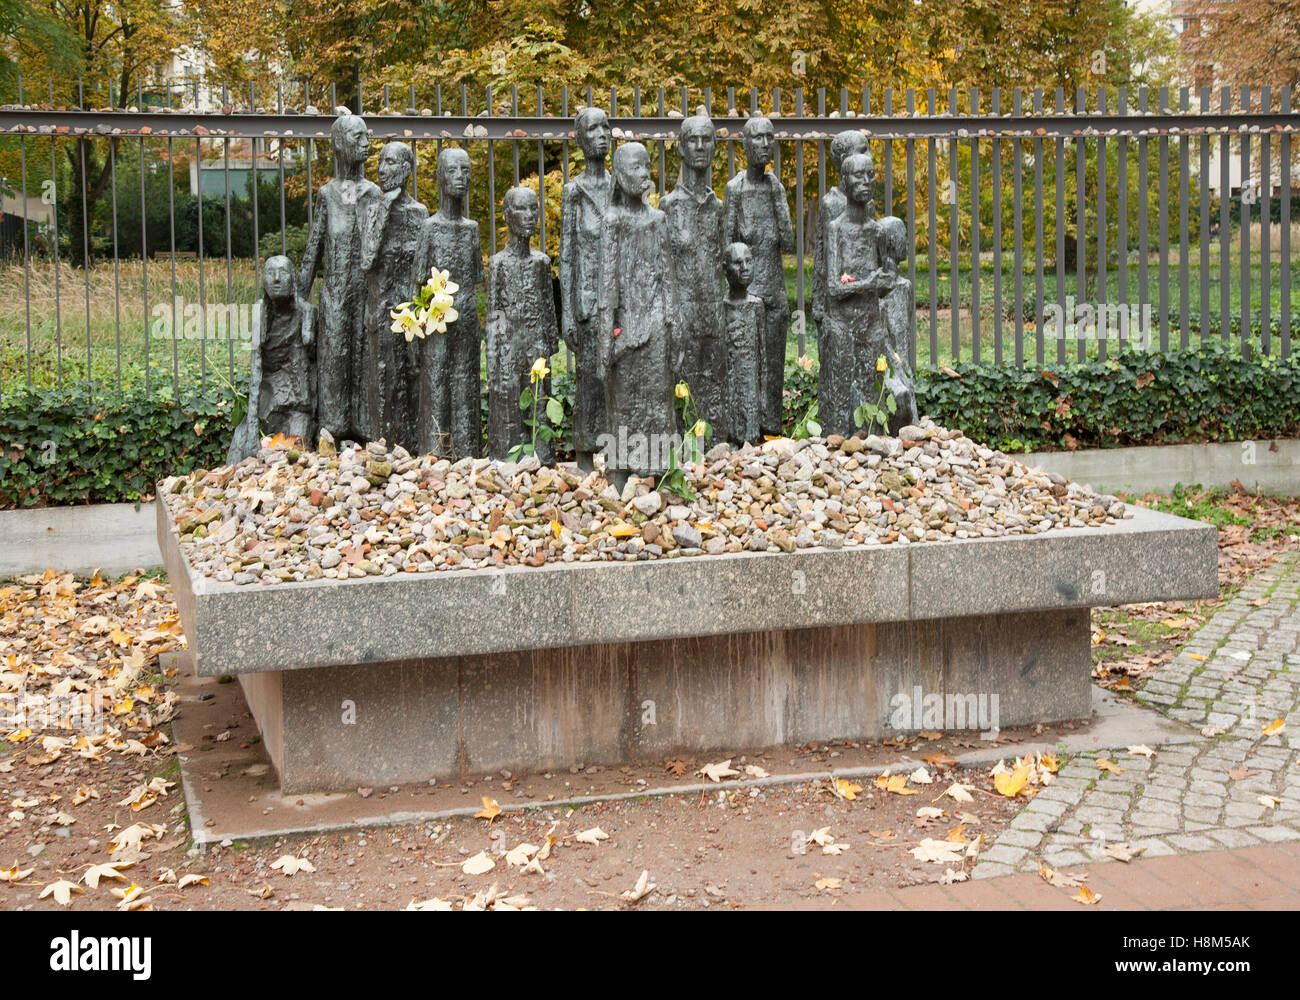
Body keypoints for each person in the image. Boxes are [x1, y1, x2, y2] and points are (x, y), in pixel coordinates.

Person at [596, 142, 675, 482]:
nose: (643, 174)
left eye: (646, 167)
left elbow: (667, 276)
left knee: (657, 402)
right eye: (633, 168)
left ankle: (657, 472)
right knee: (623, 403)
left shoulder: (658, 220)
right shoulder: (612, 221)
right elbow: (607, 285)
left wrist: (675, 323)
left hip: (656, 325)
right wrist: (605, 338)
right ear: (618, 175)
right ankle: (619, 472)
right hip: (624, 329)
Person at [298, 113, 377, 444]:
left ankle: (363, 429)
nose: (366, 144)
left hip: (368, 294)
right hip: (334, 295)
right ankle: (333, 429)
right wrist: (300, 300)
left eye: (366, 136)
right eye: (357, 138)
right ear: (339, 145)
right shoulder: (327, 194)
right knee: (335, 360)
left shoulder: (374, 193)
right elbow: (314, 248)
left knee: (365, 360)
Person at [409, 147, 484, 458]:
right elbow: (417, 280)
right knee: (437, 384)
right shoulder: (430, 227)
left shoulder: (472, 229)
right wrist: (417, 324)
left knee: (466, 385)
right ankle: (436, 453)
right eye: (453, 171)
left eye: (466, 171)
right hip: (436, 321)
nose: (461, 177)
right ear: (440, 177)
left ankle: (468, 452)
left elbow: (476, 280)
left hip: (465, 318)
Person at [723, 116, 794, 436]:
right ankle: (744, 429)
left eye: (770, 138)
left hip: (774, 291)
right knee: (746, 366)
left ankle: (771, 428)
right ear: (745, 145)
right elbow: (726, 249)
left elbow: (790, 243)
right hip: (745, 293)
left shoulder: (775, 187)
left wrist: (779, 200)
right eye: (758, 139)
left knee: (773, 367)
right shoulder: (734, 189)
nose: (765, 145)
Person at [661, 110, 725, 439]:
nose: (700, 146)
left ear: (714, 146)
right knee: (681, 389)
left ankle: (716, 451)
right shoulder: (667, 207)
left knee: (714, 387)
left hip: (714, 313)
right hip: (681, 314)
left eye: (706, 139)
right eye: (692, 140)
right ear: (681, 149)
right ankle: (683, 449)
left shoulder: (718, 207)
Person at [359, 141, 427, 450]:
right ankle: (383, 446)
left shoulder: (419, 213)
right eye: (381, 162)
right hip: (381, 307)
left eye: (391, 163)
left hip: (411, 310)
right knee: (384, 381)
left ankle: (411, 446)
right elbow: (366, 260)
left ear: (407, 169)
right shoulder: (372, 208)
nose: (383, 170)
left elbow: (424, 265)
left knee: (411, 379)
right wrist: (384, 209)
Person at [487, 187, 559, 462]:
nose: (529, 216)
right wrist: (496, 356)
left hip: (537, 351)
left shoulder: (542, 262)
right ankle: (506, 463)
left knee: (540, 409)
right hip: (509, 351)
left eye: (533, 209)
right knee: (508, 416)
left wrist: (550, 350)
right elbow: (496, 314)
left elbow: (548, 311)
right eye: (521, 209)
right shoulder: (499, 264)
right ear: (507, 216)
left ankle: (543, 462)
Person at [559, 106, 613, 472]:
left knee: (616, 381)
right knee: (588, 382)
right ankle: (583, 453)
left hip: (618, 301)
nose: (602, 134)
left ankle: (618, 453)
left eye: (606, 128)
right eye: (593, 129)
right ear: (580, 139)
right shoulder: (573, 192)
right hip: (587, 305)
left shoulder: (620, 186)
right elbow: (566, 256)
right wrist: (567, 313)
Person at [227, 254, 315, 463]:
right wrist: (251, 423)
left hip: (297, 392)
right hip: (269, 387)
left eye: (283, 272)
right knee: (243, 443)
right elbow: (256, 366)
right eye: (270, 273)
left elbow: (310, 357)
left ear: (292, 279)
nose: (276, 279)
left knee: (297, 448)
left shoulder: (306, 311)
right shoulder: (260, 310)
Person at [813, 129, 870, 434]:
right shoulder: (830, 203)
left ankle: (862, 427)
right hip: (837, 302)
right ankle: (835, 431)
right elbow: (822, 256)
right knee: (835, 373)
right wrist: (819, 302)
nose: (867, 155)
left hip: (861, 303)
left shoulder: (866, 202)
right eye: (861, 150)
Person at [722, 242, 764, 446]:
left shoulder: (756, 306)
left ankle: (750, 440)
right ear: (726, 269)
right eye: (738, 263)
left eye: (748, 261)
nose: (745, 268)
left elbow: (762, 354)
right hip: (730, 378)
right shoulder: (722, 306)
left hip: (750, 383)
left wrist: (762, 393)